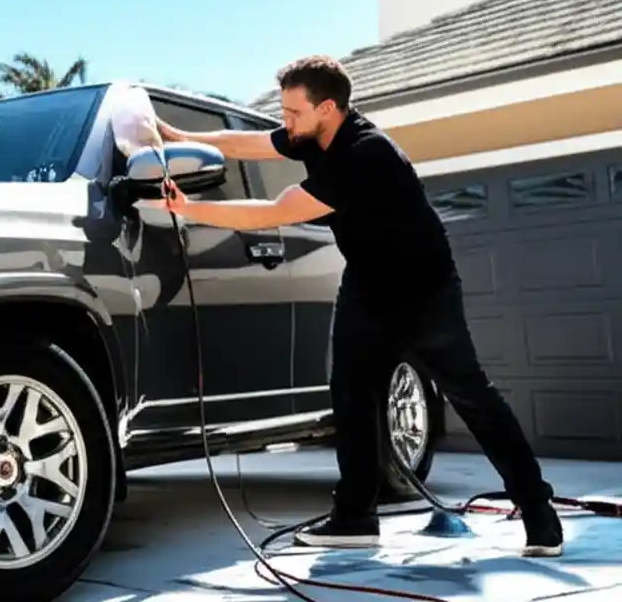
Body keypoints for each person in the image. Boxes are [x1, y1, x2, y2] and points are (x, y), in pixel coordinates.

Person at [146, 55, 563, 557]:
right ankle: (355, 518)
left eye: (293, 113)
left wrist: (190, 209)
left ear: (327, 108)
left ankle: (540, 515)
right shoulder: (310, 134)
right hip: (367, 287)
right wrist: (176, 135)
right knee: (352, 397)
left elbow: (277, 213)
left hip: (422, 292)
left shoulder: (365, 154)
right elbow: (250, 145)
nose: (285, 123)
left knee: (473, 397)